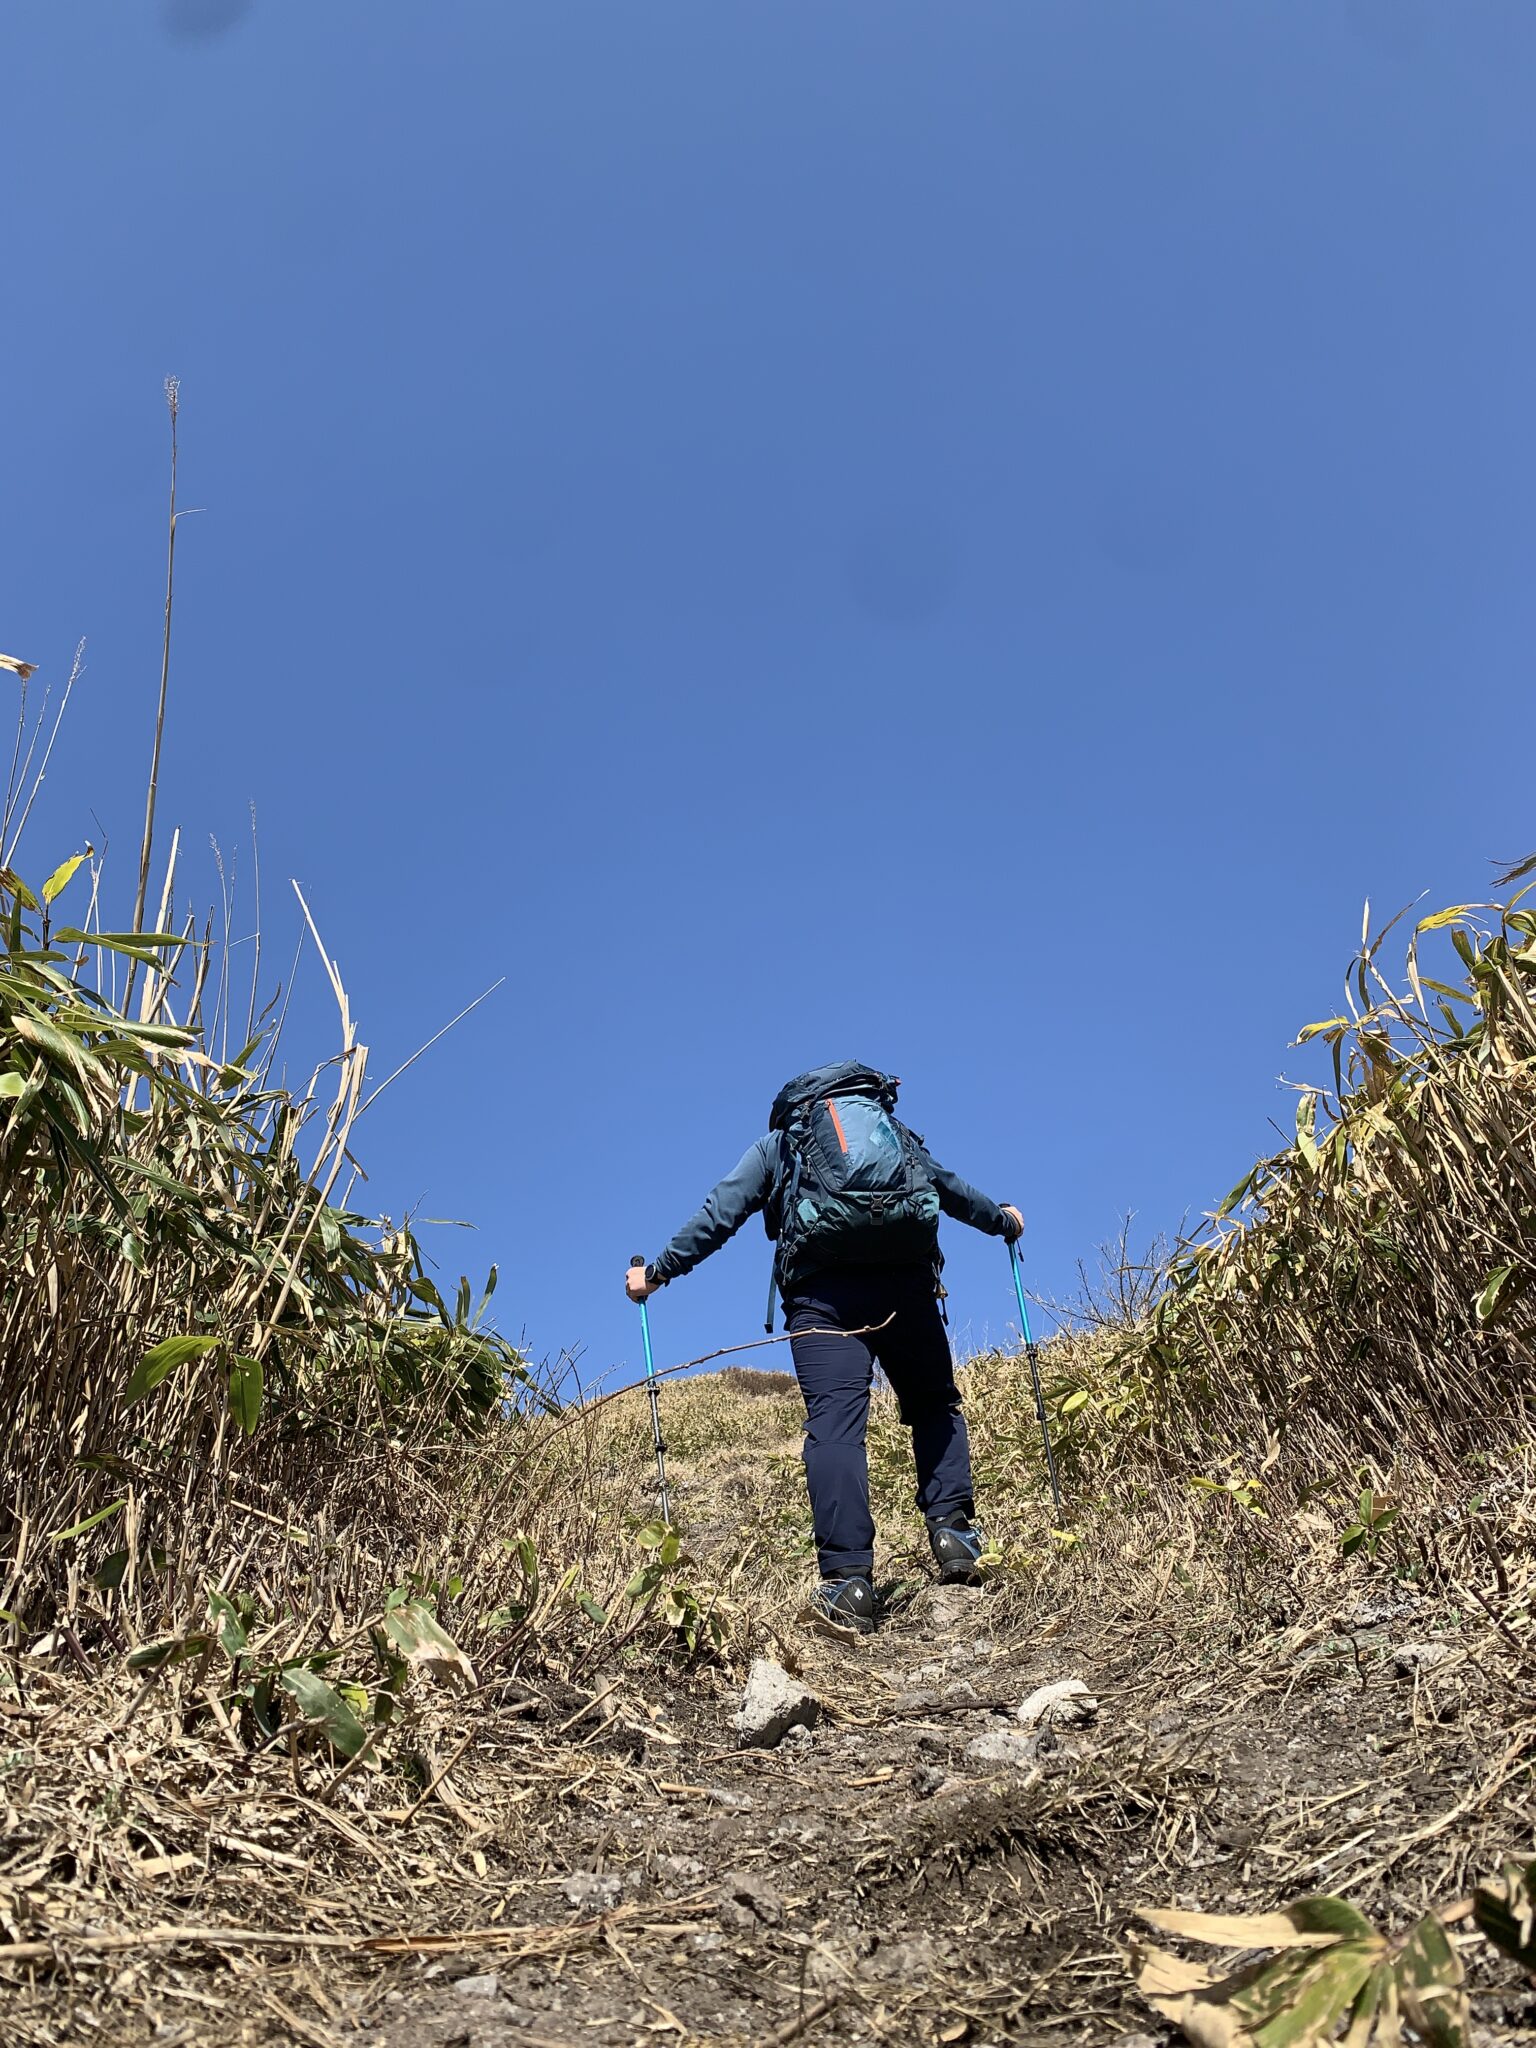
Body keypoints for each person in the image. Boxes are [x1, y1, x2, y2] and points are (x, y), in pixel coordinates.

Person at [624, 1061, 1023, 1639]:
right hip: (905, 1285)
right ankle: (955, 1535)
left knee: (835, 1427)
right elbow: (950, 1190)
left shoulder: (781, 1144)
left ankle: (848, 1583)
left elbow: (721, 1212)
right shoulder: (896, 1137)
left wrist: (657, 1273)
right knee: (933, 1404)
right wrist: (1003, 1221)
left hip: (822, 1298)